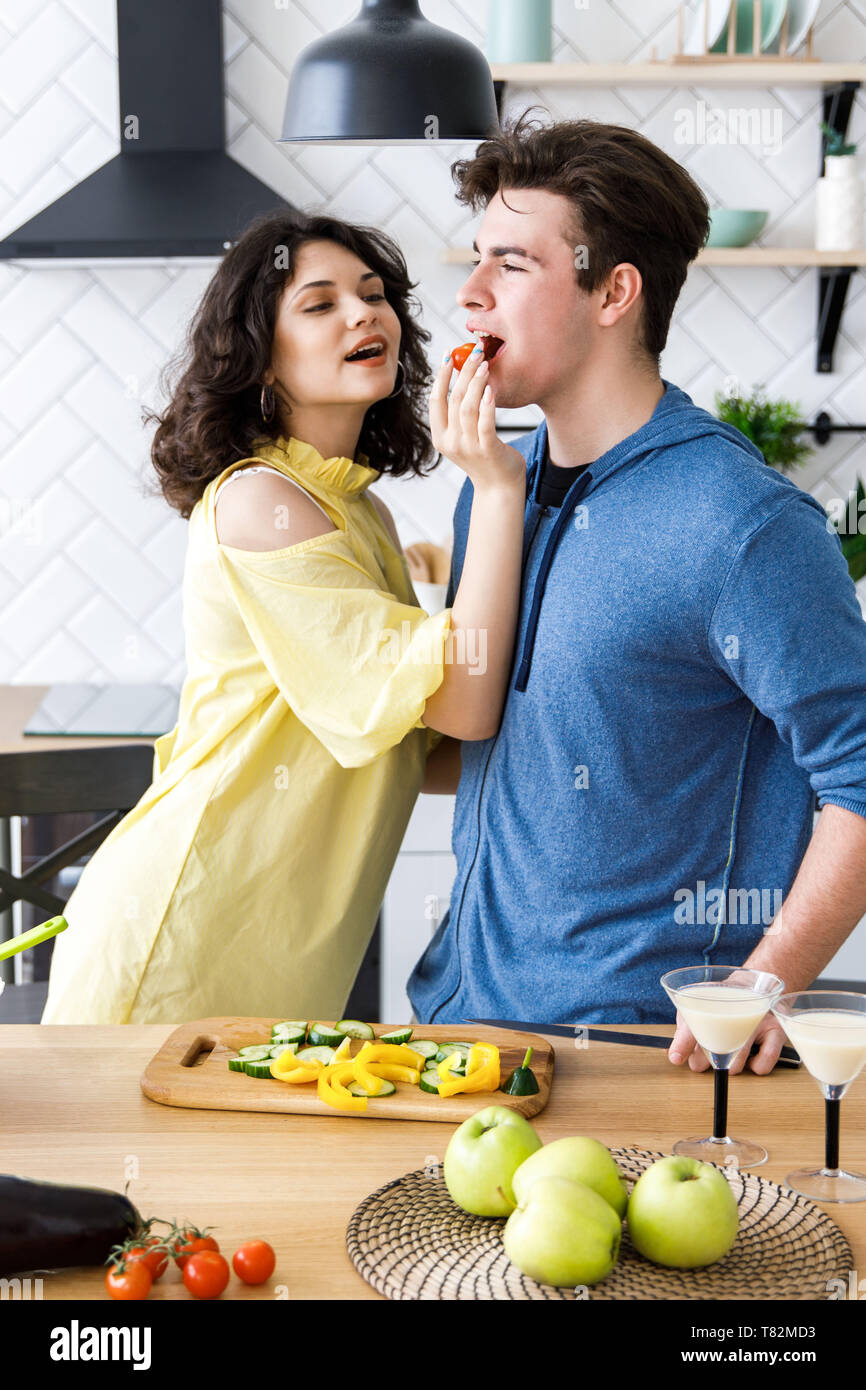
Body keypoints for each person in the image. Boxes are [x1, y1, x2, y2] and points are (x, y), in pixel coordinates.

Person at [407, 113, 866, 1077]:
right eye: (477, 258)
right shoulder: (495, 485)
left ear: (615, 291)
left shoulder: (739, 524)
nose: (471, 292)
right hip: (463, 1031)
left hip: (636, 1055)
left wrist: (765, 979)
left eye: (513, 265)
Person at [41, 209, 526, 1025]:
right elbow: (463, 702)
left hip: (275, 953)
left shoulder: (355, 509)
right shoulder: (261, 502)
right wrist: (500, 484)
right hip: (183, 938)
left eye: (374, 296)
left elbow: (416, 745)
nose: (364, 314)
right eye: (320, 303)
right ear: (260, 359)